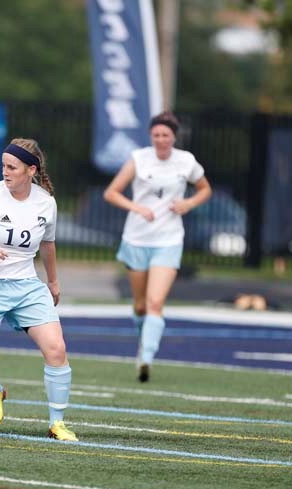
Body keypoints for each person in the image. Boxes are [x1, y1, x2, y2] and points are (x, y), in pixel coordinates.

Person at [0, 137, 78, 441]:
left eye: (12, 167)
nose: (5, 172)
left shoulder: (46, 202)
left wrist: (53, 281)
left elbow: (48, 244)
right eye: (3, 166)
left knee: (56, 349)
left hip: (26, 287)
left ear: (31, 170)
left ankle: (57, 423)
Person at [103, 111, 212, 383]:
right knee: (141, 305)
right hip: (137, 239)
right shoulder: (139, 159)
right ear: (150, 136)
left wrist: (188, 203)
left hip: (169, 240)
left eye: (166, 135)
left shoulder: (186, 161)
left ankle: (146, 358)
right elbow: (111, 192)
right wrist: (137, 207)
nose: (161, 140)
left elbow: (205, 189)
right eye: (156, 135)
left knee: (155, 302)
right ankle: (143, 342)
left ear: (174, 137)